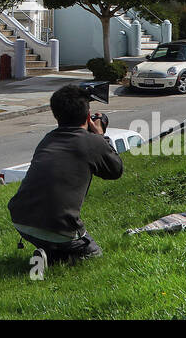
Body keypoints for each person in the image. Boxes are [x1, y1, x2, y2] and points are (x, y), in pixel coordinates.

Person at [7, 84, 123, 265]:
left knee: (53, 239)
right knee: (93, 257)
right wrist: (100, 136)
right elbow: (115, 171)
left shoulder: (48, 138)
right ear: (87, 116)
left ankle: (46, 254)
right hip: (60, 226)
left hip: (21, 220)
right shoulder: (93, 142)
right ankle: (55, 257)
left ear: (56, 116)